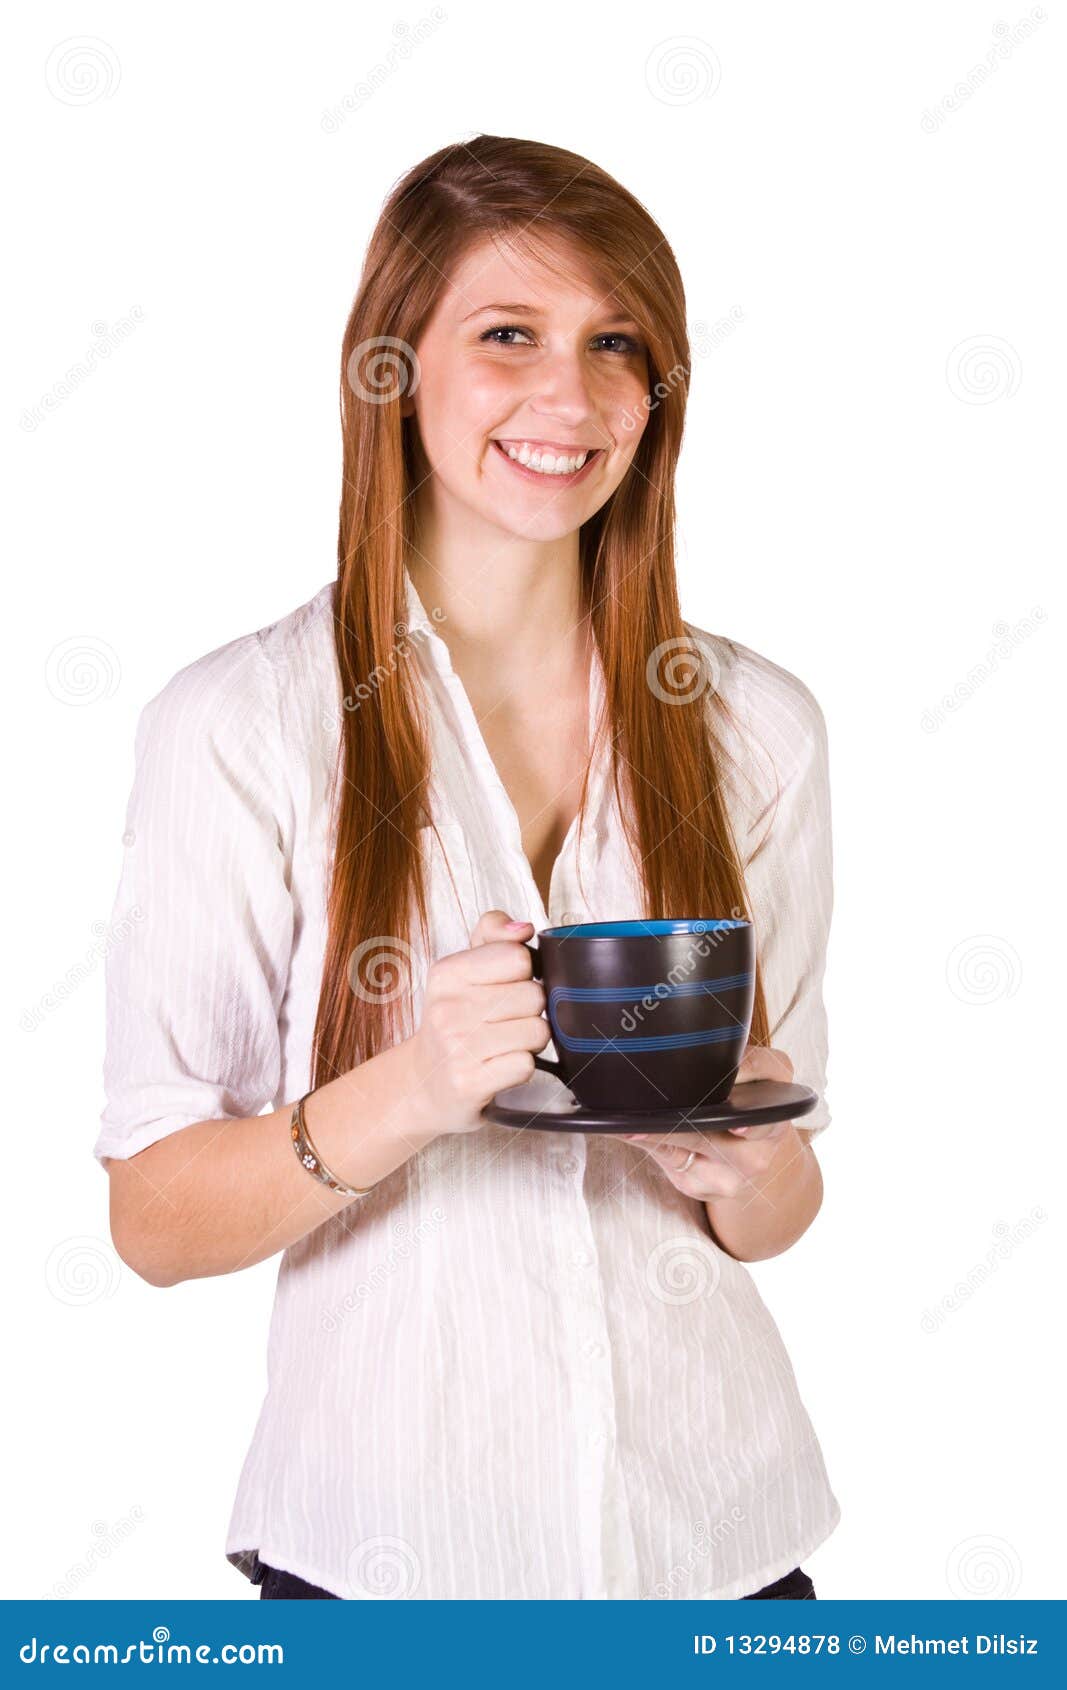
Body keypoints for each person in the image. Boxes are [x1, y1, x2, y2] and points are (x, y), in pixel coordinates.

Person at [95, 134, 838, 1601]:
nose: (571, 397)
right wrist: (418, 1086)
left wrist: (750, 1161)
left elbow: (784, 1205)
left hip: (724, 1563)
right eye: (510, 336)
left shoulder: (759, 726)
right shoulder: (242, 726)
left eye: (614, 343)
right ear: (397, 367)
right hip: (381, 1579)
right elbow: (152, 1219)